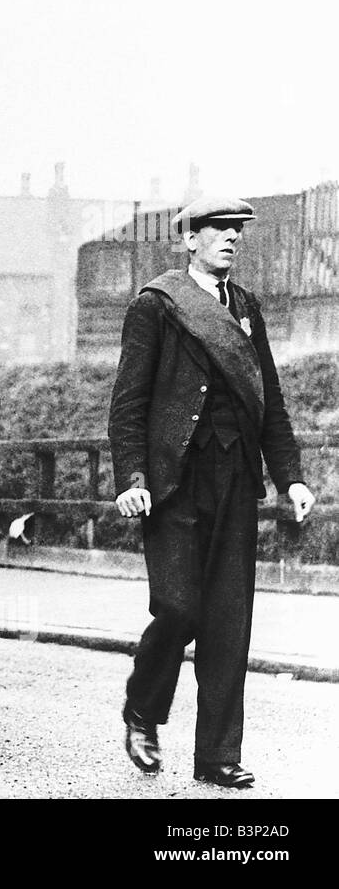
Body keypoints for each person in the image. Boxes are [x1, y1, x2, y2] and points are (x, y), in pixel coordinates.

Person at [109, 196, 315, 789]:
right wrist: (132, 479)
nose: (231, 239)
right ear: (190, 239)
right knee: (178, 607)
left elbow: (268, 399)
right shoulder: (157, 303)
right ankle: (144, 709)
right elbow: (129, 402)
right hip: (175, 481)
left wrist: (290, 476)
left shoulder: (246, 306)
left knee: (229, 621)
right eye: (218, 230)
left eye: (236, 231)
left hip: (235, 479)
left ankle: (217, 755)